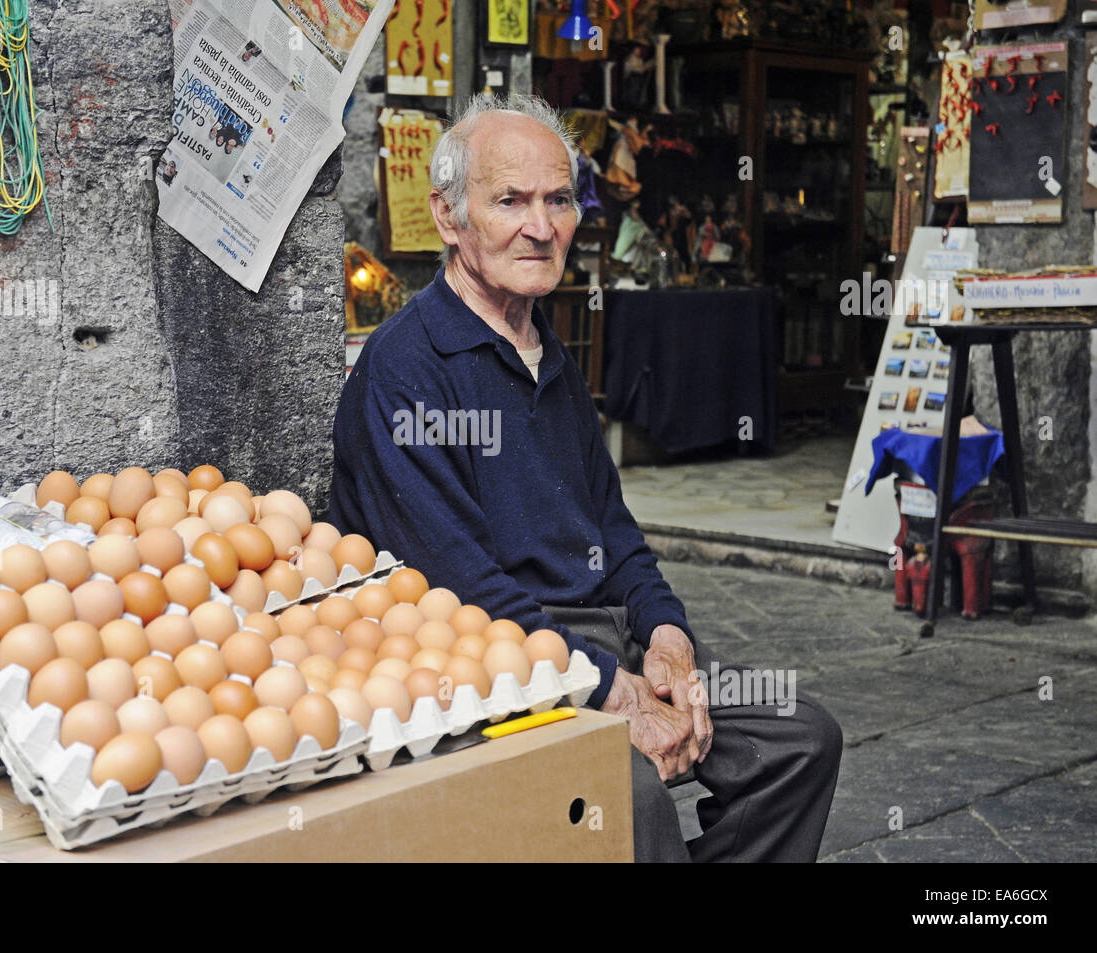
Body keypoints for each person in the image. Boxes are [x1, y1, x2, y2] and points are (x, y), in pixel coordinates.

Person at [328, 93, 842, 862]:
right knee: (626, 795)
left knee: (799, 738)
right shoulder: (407, 371)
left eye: (558, 199)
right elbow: (462, 588)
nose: (541, 226)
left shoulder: (549, 355)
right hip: (490, 670)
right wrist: (612, 690)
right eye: (510, 200)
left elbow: (615, 530)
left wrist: (668, 637)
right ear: (448, 218)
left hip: (598, 646)